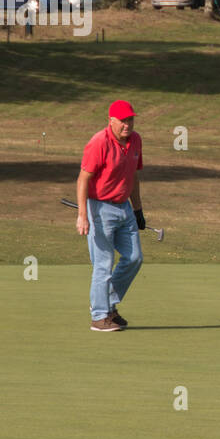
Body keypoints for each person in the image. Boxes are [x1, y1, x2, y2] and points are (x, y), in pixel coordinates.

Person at [75, 100, 146, 332]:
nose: (127, 124)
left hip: (124, 208)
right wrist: (83, 215)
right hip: (100, 208)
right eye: (123, 120)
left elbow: (134, 177)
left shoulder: (135, 141)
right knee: (103, 265)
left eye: (130, 119)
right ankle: (99, 316)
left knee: (134, 258)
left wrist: (138, 210)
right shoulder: (99, 142)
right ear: (111, 121)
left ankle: (107, 303)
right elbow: (83, 178)